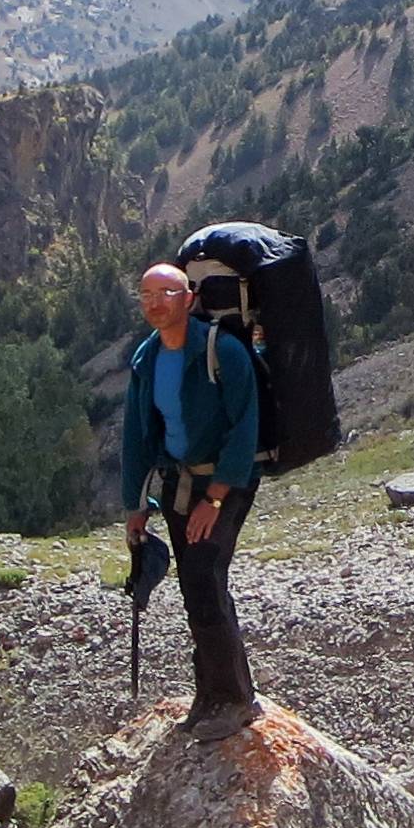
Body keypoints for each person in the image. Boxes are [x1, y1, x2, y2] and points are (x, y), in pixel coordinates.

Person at [119, 260, 263, 739]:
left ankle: (234, 699)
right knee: (196, 585)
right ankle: (212, 692)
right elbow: (137, 436)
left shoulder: (222, 351)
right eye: (146, 294)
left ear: (190, 298)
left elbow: (245, 427)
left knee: (203, 576)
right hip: (178, 484)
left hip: (225, 483)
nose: (155, 303)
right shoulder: (147, 358)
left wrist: (215, 498)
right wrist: (136, 506)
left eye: (166, 292)